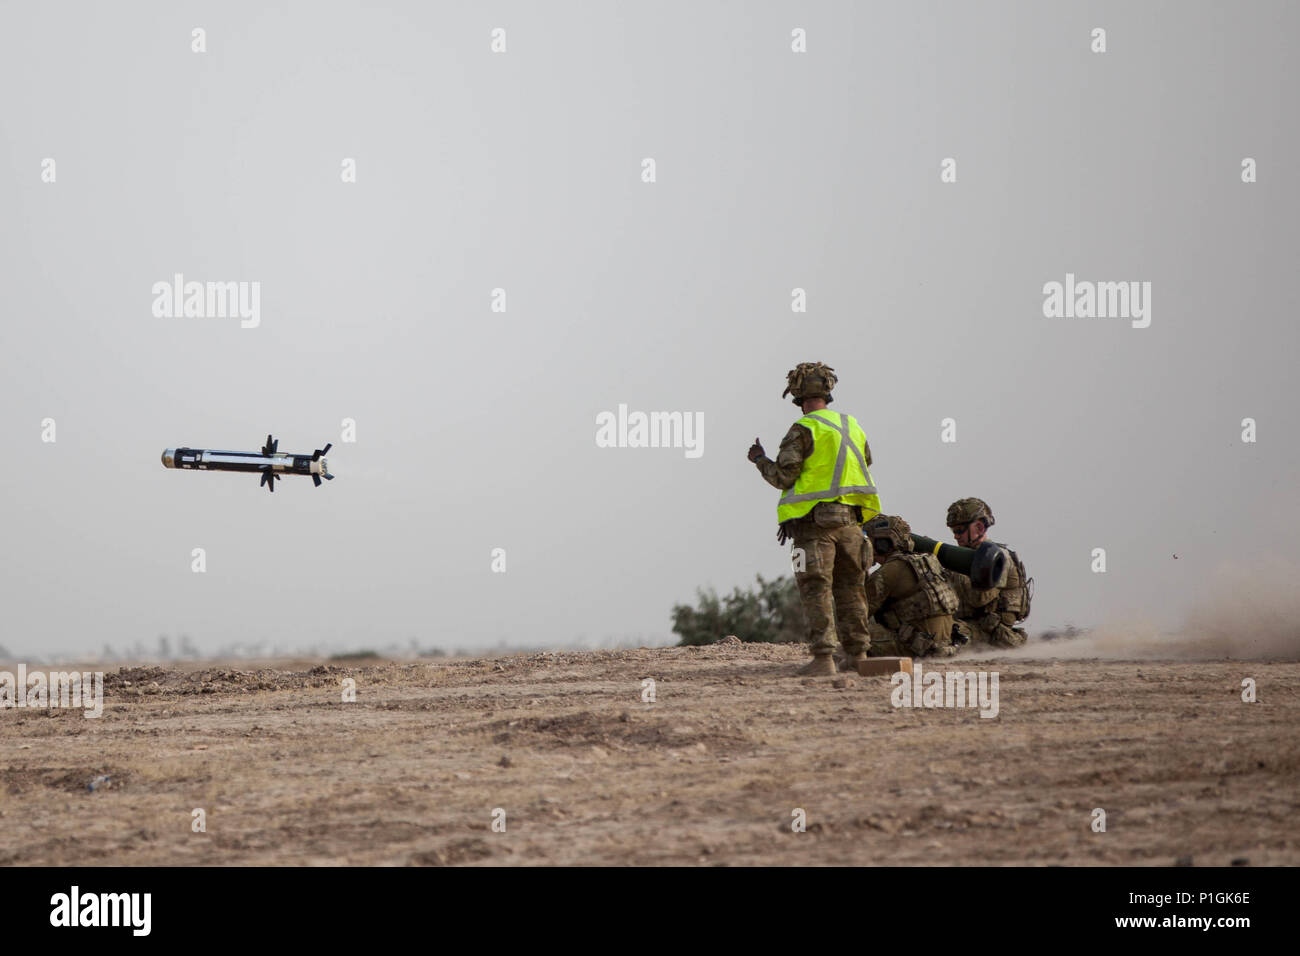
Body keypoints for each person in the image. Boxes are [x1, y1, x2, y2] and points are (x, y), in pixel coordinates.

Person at [748, 362, 881, 676]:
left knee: (815, 588)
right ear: (828, 390)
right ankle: (858, 656)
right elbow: (866, 461)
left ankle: (824, 659)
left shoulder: (803, 429)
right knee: (852, 589)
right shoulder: (852, 425)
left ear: (796, 394)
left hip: (814, 526)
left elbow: (784, 476)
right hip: (851, 524)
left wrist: (759, 460)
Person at [863, 514, 960, 658]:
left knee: (854, 635)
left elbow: (859, 612)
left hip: (921, 647)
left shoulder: (890, 571)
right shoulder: (929, 560)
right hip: (947, 644)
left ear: (882, 544)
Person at [944, 498, 1031, 648]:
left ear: (979, 527)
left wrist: (953, 567)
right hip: (969, 629)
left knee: (939, 638)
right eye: (953, 531)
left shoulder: (998, 558)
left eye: (959, 531)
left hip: (992, 635)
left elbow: (979, 598)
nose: (955, 536)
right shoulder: (965, 558)